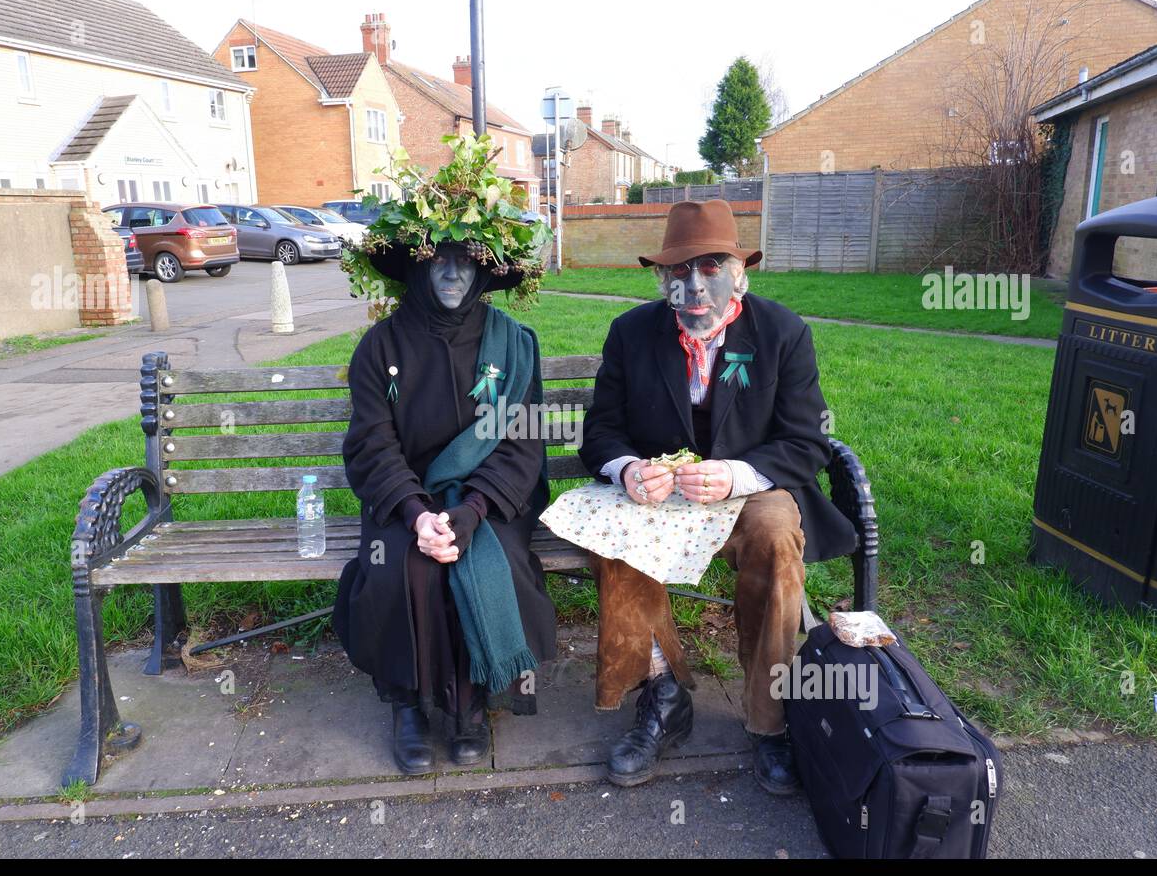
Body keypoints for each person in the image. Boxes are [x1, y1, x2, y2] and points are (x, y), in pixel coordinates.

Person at [578, 199, 857, 794]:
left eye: (710, 267)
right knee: (615, 530)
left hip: (750, 491)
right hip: (661, 497)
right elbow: (601, 430)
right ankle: (661, 696)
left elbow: (806, 442)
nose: (695, 285)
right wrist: (627, 469)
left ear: (740, 273)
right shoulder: (631, 334)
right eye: (680, 272)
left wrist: (735, 475)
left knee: (777, 532)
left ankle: (770, 719)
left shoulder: (782, 333)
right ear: (663, 280)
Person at [333, 161, 556, 776]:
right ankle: (407, 702)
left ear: (486, 268)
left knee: (492, 560)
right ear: (415, 266)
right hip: (403, 499)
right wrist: (416, 512)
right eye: (438, 257)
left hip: (487, 499)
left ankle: (468, 703)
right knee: (399, 566)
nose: (454, 270)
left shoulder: (514, 343)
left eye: (468, 257)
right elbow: (372, 444)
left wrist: (471, 510)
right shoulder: (381, 346)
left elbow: (524, 440)